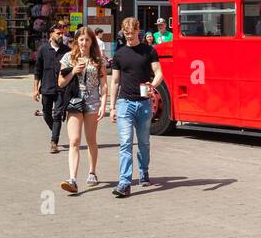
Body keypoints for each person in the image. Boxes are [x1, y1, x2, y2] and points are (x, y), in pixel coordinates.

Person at [108, 16, 163, 198]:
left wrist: (151, 86)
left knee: (144, 143)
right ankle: (124, 183)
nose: (129, 37)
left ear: (138, 30)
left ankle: (144, 171)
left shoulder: (149, 51)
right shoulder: (119, 54)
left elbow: (159, 73)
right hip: (125, 103)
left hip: (144, 104)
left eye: (132, 33)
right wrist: (112, 106)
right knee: (125, 144)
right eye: (126, 34)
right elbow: (115, 81)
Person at [58, 26, 107, 194]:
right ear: (76, 41)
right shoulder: (68, 58)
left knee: (91, 140)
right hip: (74, 100)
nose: (83, 42)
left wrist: (103, 104)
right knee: (74, 141)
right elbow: (60, 82)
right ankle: (72, 179)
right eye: (80, 39)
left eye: (87, 39)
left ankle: (92, 171)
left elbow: (104, 84)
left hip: (92, 101)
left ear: (91, 41)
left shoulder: (97, 59)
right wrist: (73, 71)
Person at [32, 22, 70, 154]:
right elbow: (37, 70)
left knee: (58, 115)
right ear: (51, 34)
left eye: (62, 33)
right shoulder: (43, 49)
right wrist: (35, 89)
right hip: (46, 88)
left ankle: (54, 142)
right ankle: (55, 129)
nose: (61, 35)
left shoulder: (67, 50)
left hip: (61, 88)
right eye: (58, 33)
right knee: (47, 114)